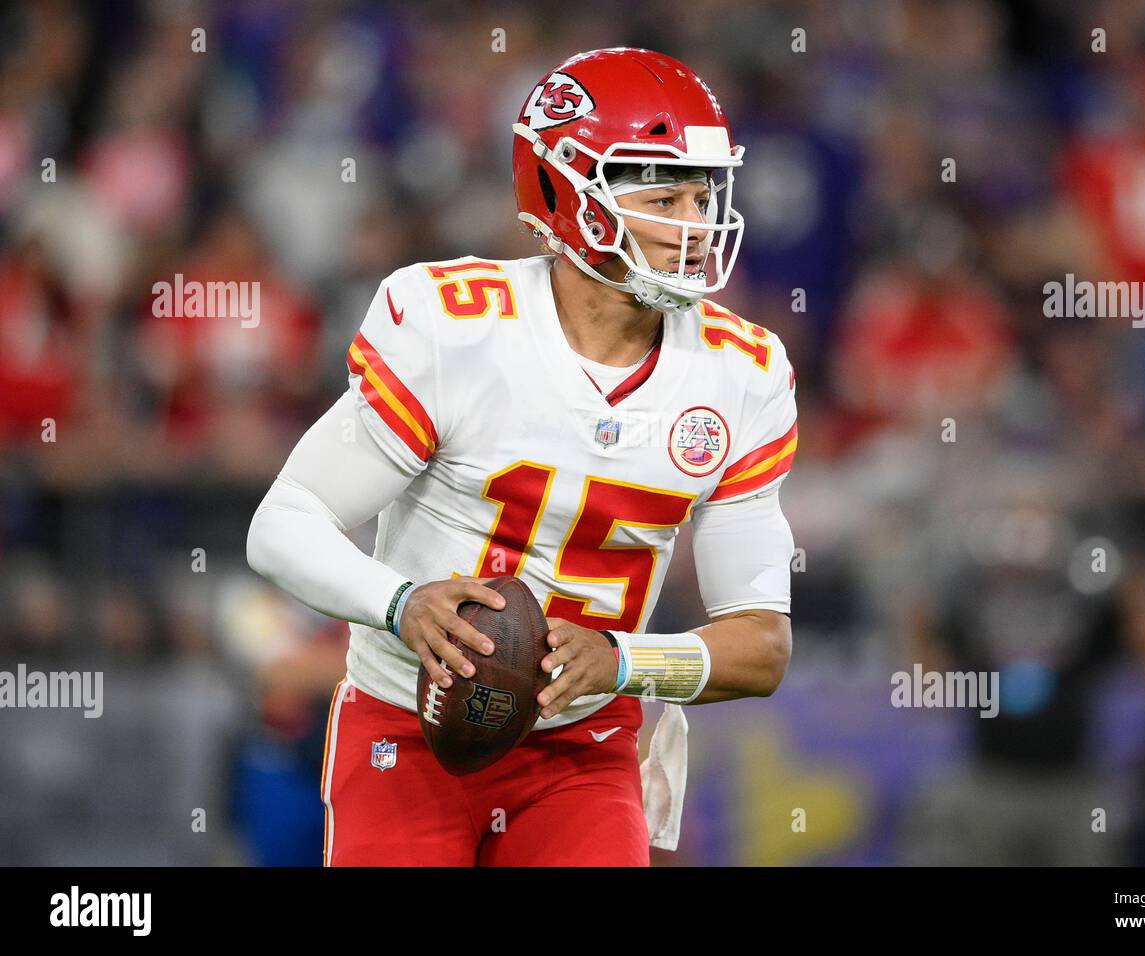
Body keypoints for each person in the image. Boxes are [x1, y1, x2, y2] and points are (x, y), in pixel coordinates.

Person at [246, 47, 798, 866]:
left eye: (703, 193)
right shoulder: (453, 326)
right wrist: (403, 603)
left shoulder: (742, 373)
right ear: (566, 191)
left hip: (581, 752)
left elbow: (760, 647)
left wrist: (622, 661)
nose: (695, 225)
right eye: (664, 194)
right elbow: (283, 525)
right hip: (408, 727)